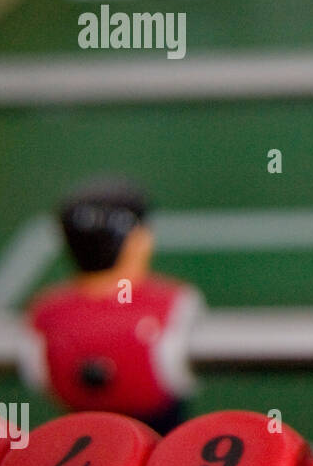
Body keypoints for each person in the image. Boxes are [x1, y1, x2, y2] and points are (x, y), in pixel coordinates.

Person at [20, 179, 203, 434]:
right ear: (136, 241)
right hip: (157, 439)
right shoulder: (173, 306)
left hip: (84, 439)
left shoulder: (46, 314)